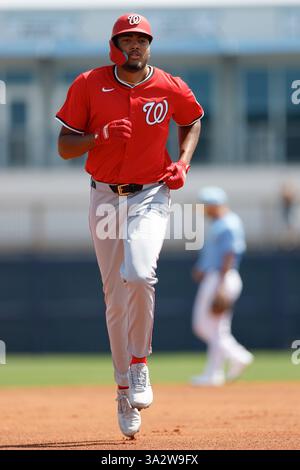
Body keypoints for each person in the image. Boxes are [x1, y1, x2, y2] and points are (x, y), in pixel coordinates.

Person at [56, 13, 203, 438]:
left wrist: (183, 162)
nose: (134, 45)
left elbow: (192, 119)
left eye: (141, 38)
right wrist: (98, 135)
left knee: (139, 273)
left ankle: (139, 364)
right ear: (114, 45)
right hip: (104, 196)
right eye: (127, 38)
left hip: (150, 193)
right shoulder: (89, 83)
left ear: (149, 44)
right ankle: (122, 389)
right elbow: (65, 145)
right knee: (114, 300)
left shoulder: (168, 85)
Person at [191, 187, 253, 386]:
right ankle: (214, 373)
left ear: (214, 205)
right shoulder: (220, 223)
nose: (204, 210)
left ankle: (238, 356)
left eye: (206, 206)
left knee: (202, 326)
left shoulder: (228, 223)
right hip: (218, 275)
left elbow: (230, 254)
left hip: (221, 277)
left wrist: (221, 284)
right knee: (218, 329)